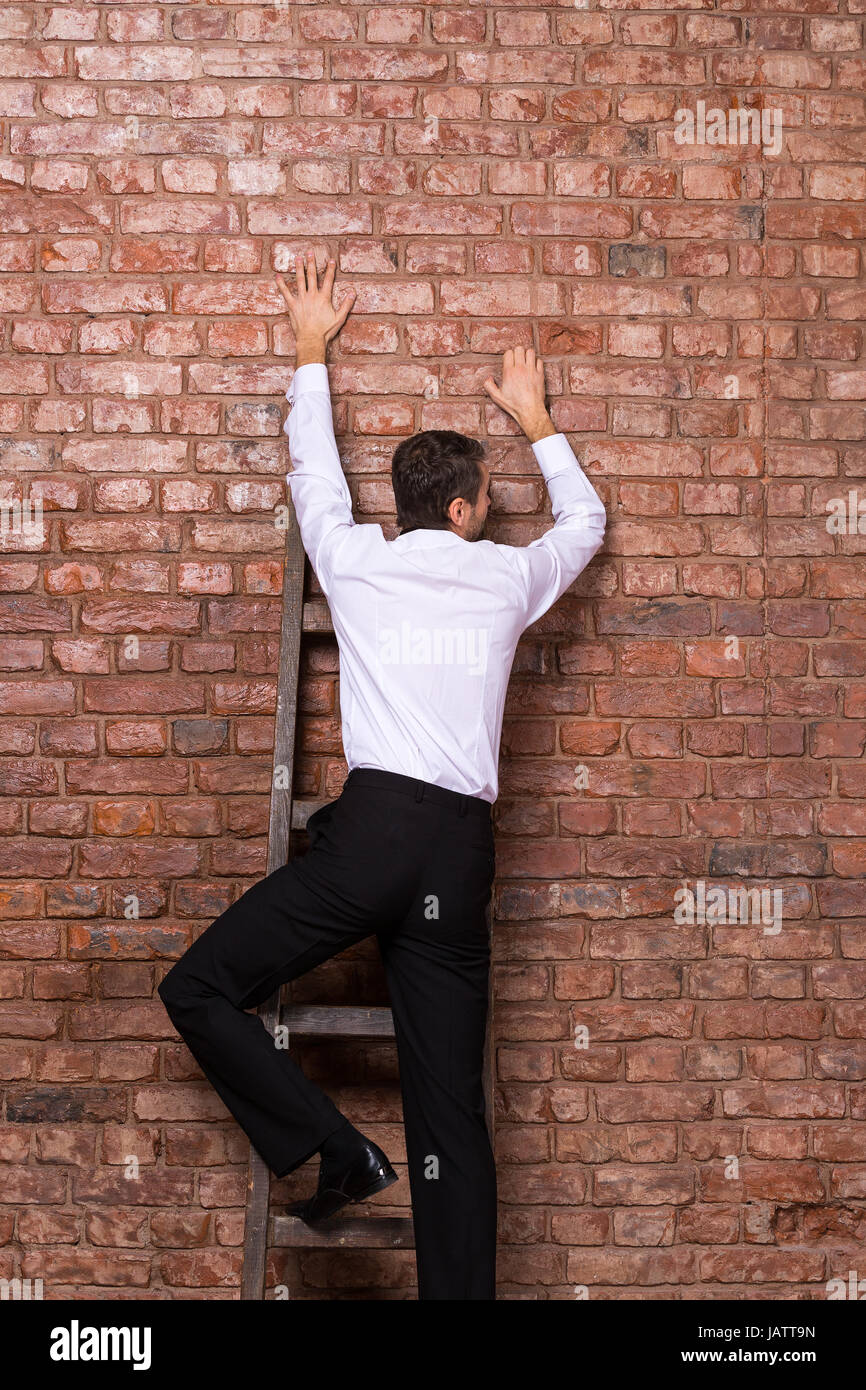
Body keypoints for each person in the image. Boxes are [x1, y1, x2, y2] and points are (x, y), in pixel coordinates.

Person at [158, 253, 607, 1300]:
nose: (492, 513)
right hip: (457, 851)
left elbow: (311, 473)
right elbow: (584, 526)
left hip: (372, 839)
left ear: (409, 507)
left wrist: (309, 348)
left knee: (198, 986)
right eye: (488, 497)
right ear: (460, 510)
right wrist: (539, 419)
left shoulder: (354, 563)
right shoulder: (504, 576)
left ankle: (334, 1148)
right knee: (449, 1113)